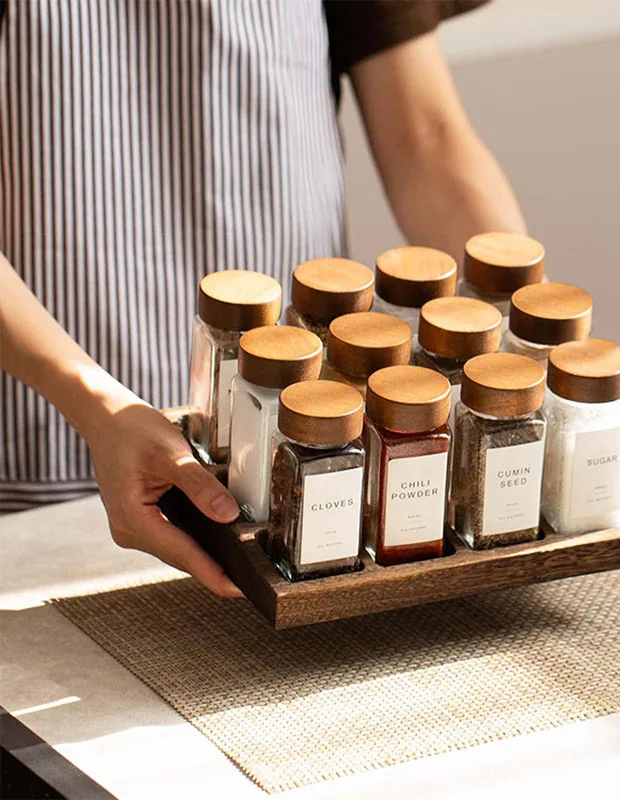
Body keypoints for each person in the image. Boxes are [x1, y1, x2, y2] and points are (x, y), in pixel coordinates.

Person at [0, 1, 526, 595]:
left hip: (312, 435)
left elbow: (424, 137)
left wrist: (523, 334)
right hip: (52, 448)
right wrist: (98, 410)